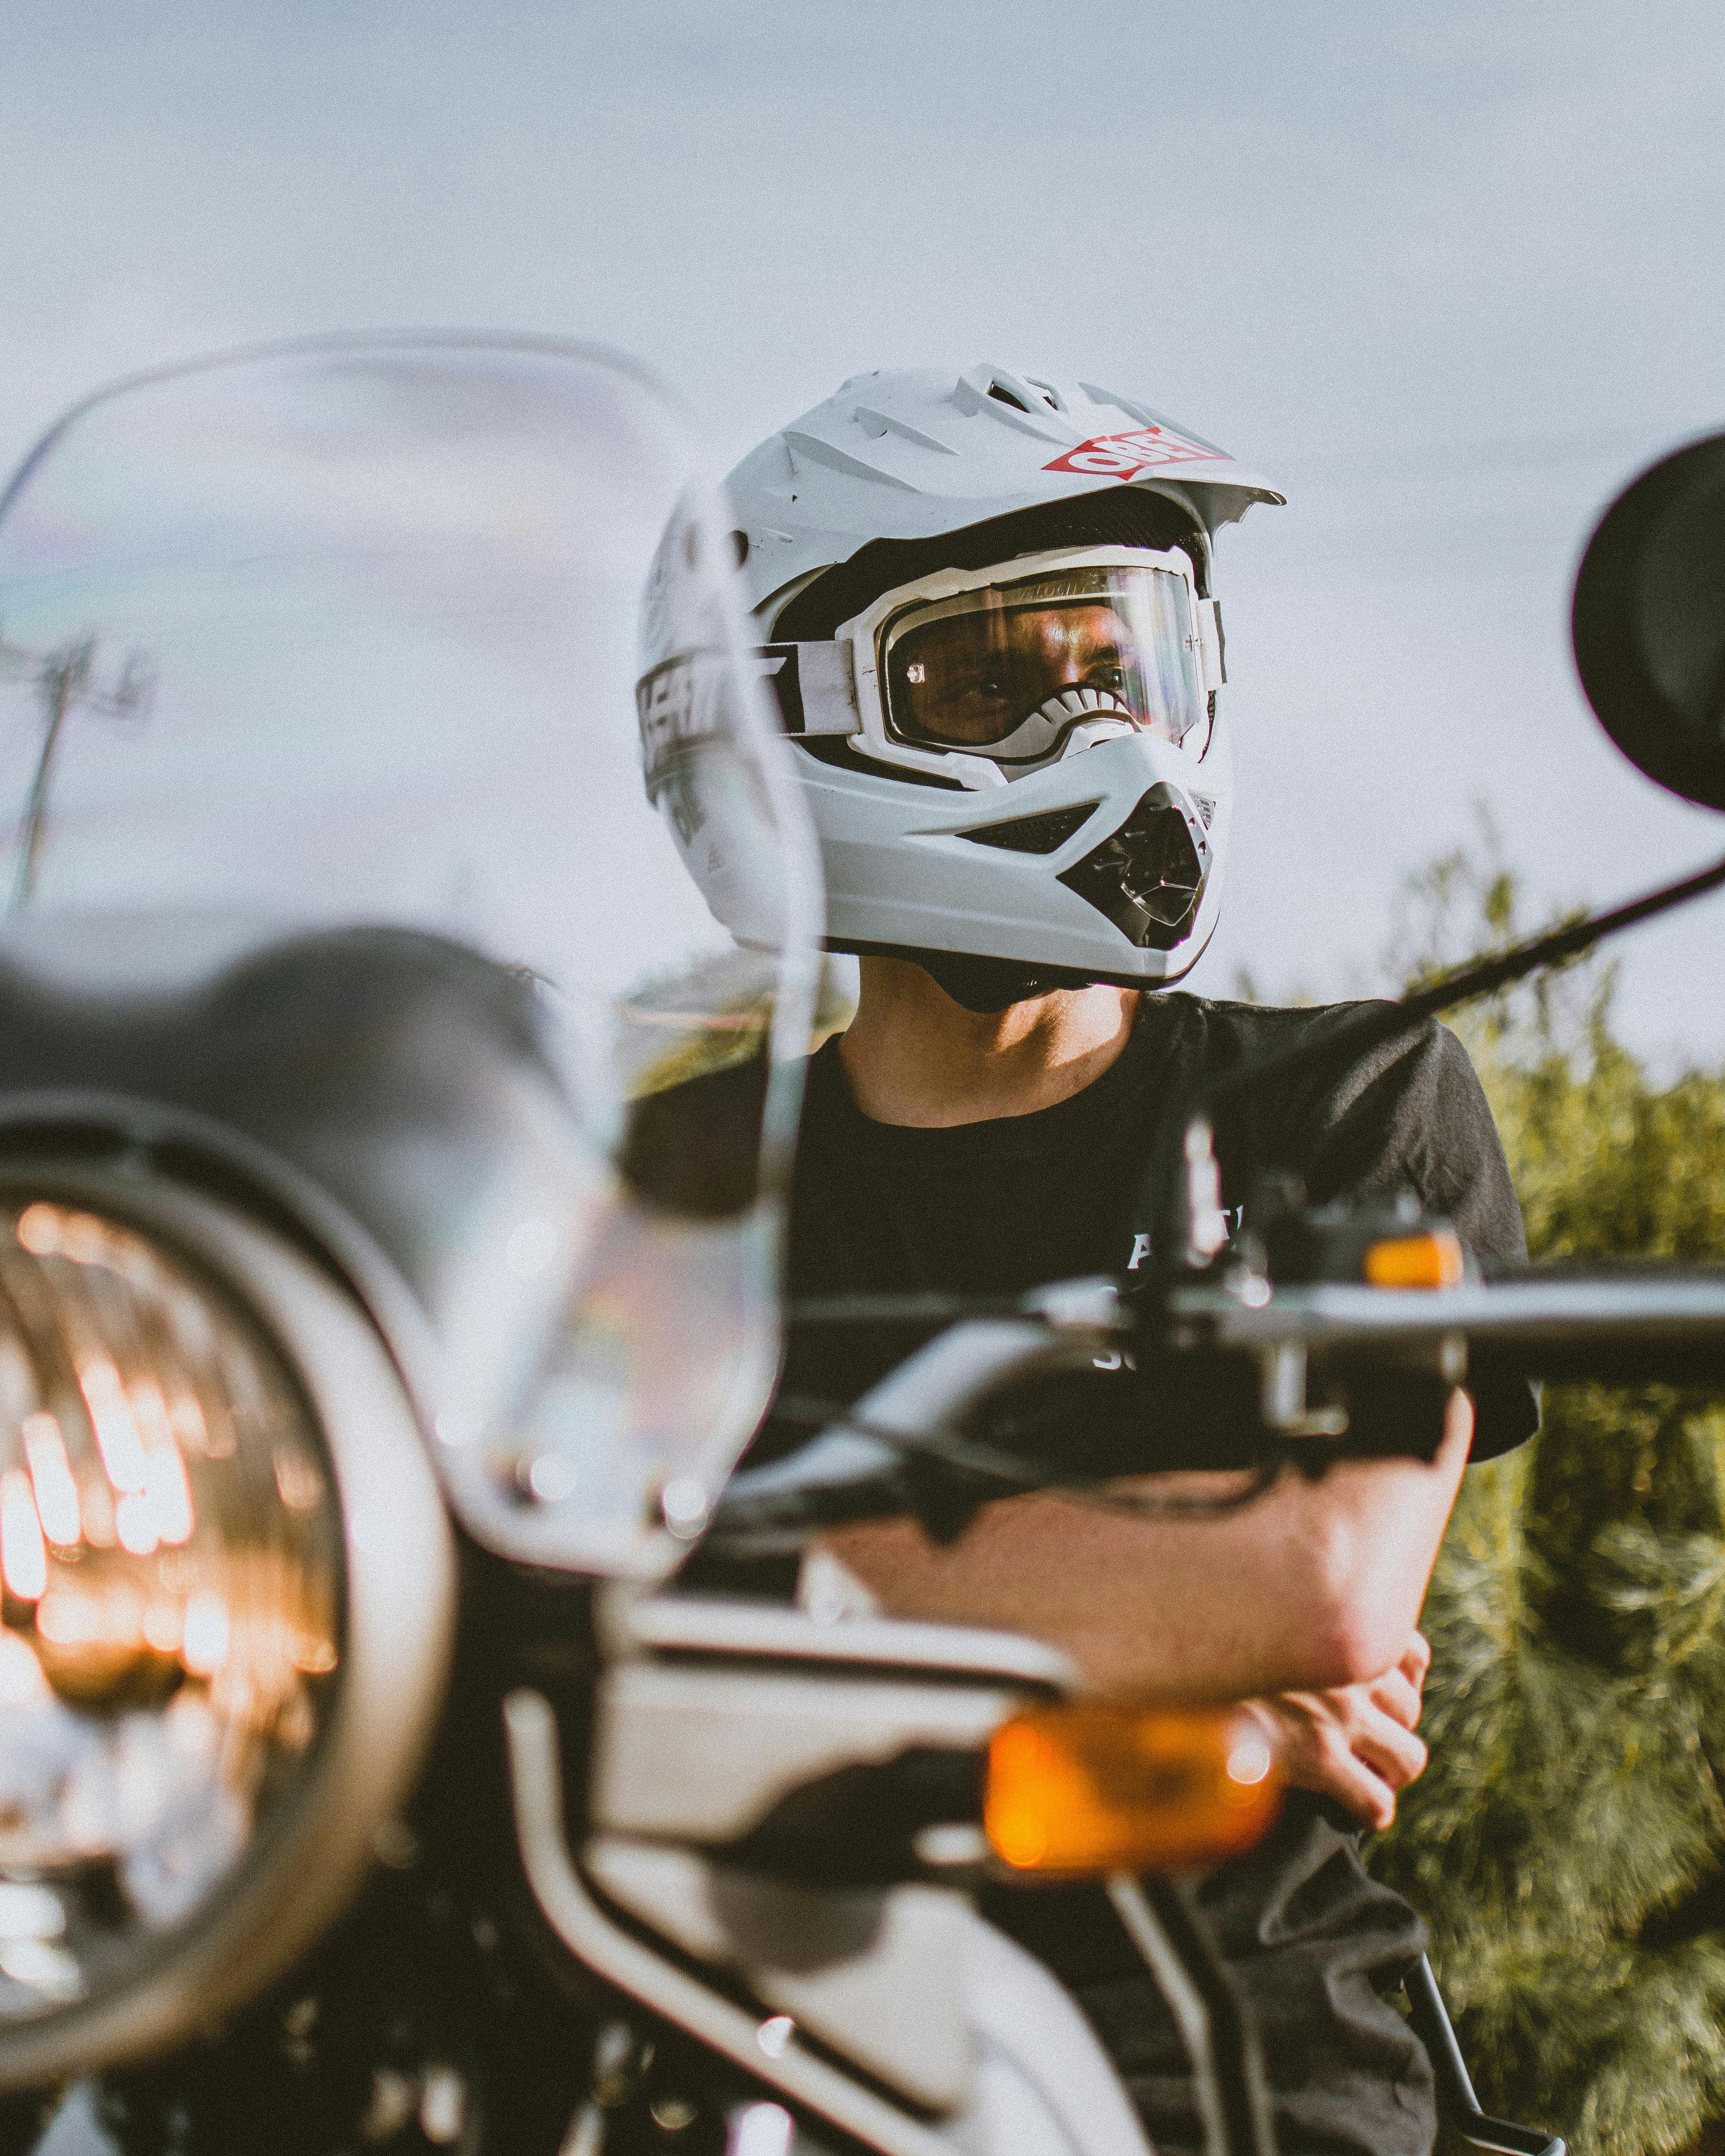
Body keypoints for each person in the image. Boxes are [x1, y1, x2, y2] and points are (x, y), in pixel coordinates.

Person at [678, 364, 1539, 2156]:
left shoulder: (1349, 1101)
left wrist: (727, 1585)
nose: (1099, 740)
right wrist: (1151, 1608)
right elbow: (477, 1602)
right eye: (992, 680)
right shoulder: (667, 1184)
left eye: (1121, 667)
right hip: (718, 2041)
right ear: (783, 713)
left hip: (1231, 2078)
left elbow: (1313, 1578)